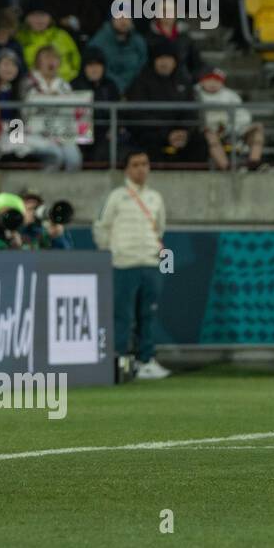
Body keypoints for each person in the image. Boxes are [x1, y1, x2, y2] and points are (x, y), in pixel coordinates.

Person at [93, 149, 169, 379]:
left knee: (148, 315)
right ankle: (119, 362)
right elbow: (101, 227)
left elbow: (160, 227)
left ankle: (146, 360)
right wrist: (113, 253)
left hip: (150, 262)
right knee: (123, 316)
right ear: (127, 169)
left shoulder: (156, 198)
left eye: (144, 164)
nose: (141, 169)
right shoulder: (116, 196)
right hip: (124, 264)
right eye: (135, 164)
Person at [196, 67, 266, 170]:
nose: (212, 83)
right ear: (202, 81)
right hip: (207, 132)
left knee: (257, 129)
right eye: (209, 79)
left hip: (232, 131)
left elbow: (243, 116)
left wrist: (232, 129)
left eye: (216, 80)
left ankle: (254, 164)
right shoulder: (194, 94)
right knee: (210, 134)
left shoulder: (231, 95)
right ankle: (227, 167)